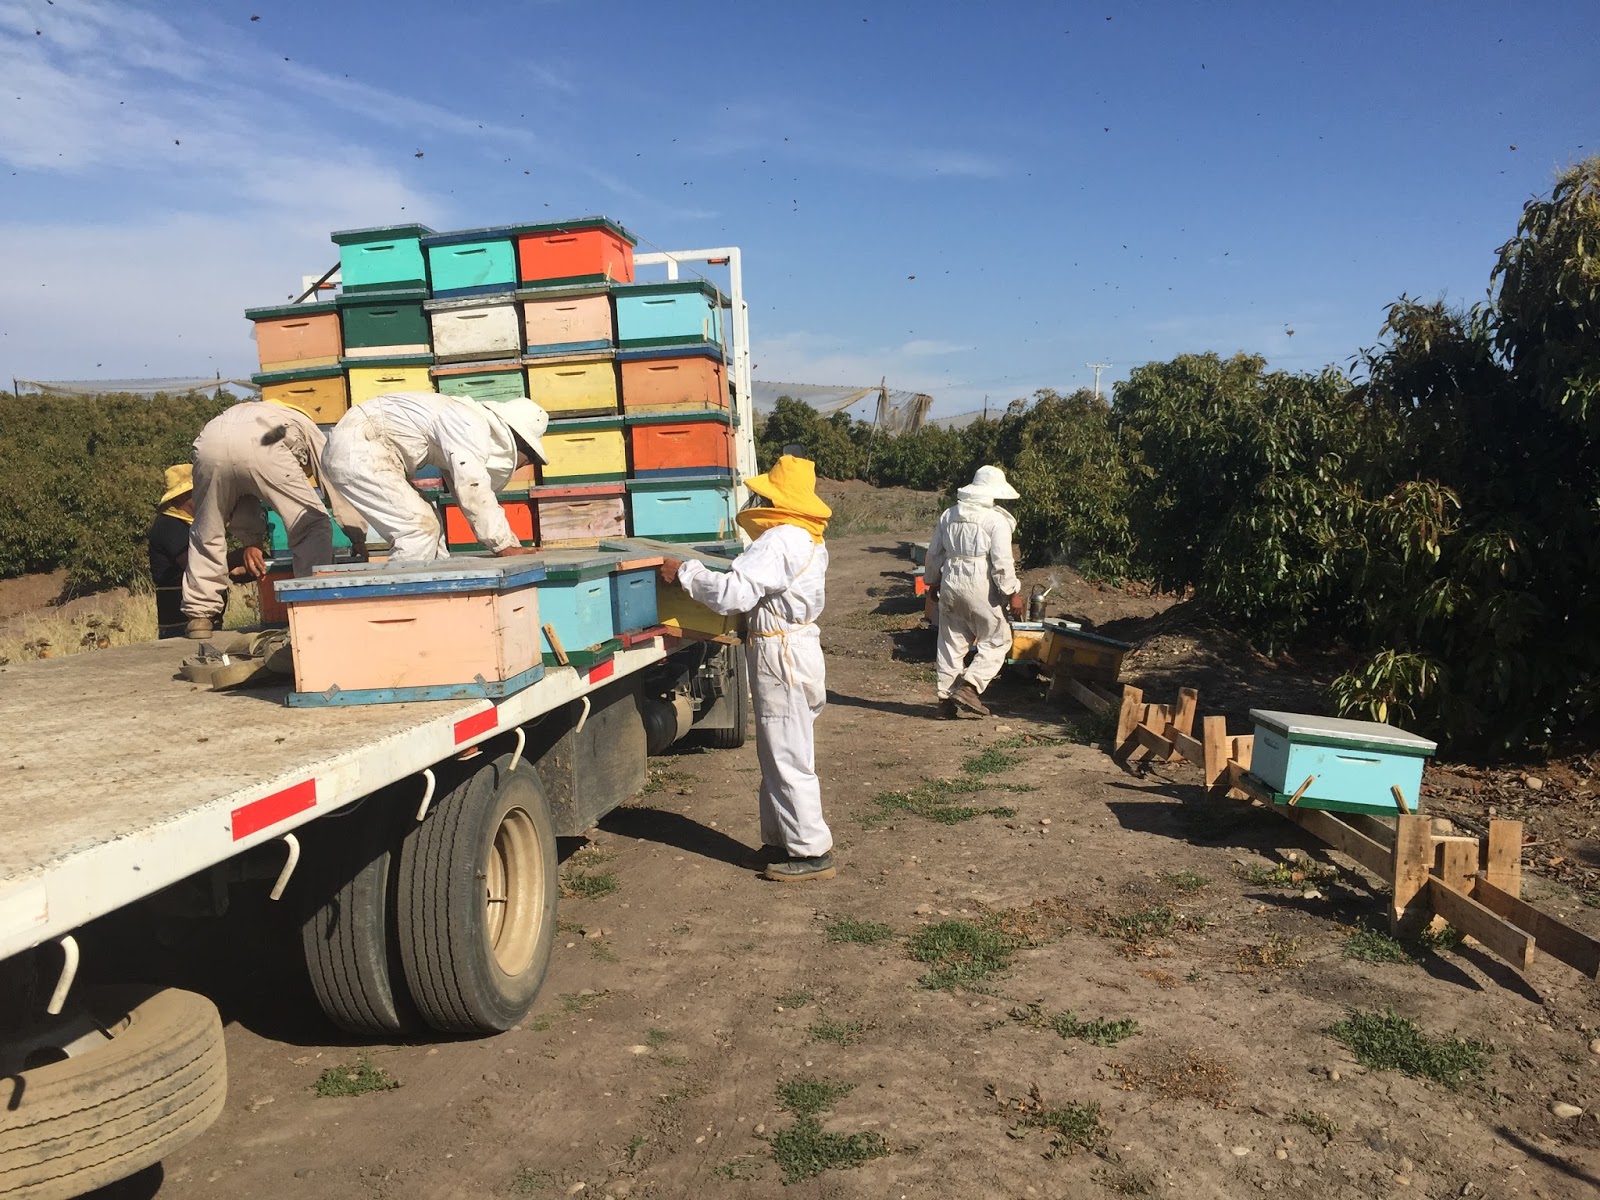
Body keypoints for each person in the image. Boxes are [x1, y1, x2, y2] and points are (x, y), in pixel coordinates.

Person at [657, 455, 835, 882]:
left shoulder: (781, 539)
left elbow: (733, 594)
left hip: (782, 655)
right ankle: (781, 842)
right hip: (797, 648)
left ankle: (811, 851)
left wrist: (686, 572)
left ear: (777, 498)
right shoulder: (807, 538)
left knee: (787, 753)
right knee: (781, 751)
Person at [182, 401, 368, 639]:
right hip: (265, 443)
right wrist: (358, 534)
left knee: (207, 528)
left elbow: (244, 486)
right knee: (312, 523)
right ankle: (311, 601)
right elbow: (334, 479)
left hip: (209, 445)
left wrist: (252, 541)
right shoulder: (303, 423)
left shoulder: (235, 416)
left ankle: (200, 615)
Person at [321, 392, 548, 568]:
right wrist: (504, 545)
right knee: (417, 531)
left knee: (432, 528)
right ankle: (402, 606)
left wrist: (507, 544)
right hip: (360, 449)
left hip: (363, 446)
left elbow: (463, 491)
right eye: (529, 458)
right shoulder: (469, 424)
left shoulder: (464, 420)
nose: (524, 466)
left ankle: (434, 601)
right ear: (517, 439)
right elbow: (472, 485)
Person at [924, 464, 1024, 718]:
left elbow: (934, 553)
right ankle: (970, 686)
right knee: (997, 639)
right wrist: (1012, 593)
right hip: (981, 583)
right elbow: (1002, 563)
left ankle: (944, 702)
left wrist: (932, 582)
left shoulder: (949, 514)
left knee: (950, 644)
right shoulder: (995, 520)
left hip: (951, 579)